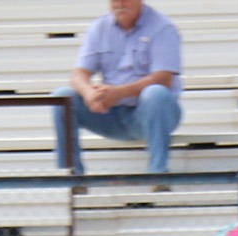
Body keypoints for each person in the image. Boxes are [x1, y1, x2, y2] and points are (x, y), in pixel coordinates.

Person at [52, 0, 183, 178]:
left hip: (149, 115)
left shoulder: (162, 27)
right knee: (62, 97)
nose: (120, 4)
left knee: (156, 93)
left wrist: (119, 93)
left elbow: (163, 78)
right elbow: (78, 74)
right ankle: (72, 177)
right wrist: (89, 93)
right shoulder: (99, 28)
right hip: (110, 114)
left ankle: (158, 175)